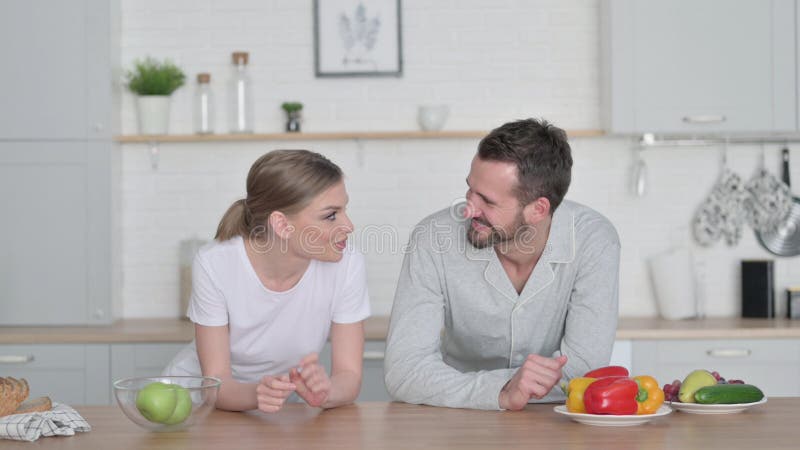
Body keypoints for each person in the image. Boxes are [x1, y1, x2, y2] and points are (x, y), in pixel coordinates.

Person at [384, 118, 620, 410]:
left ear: (538, 210)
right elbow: (405, 371)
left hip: (553, 421)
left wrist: (504, 387)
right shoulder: (432, 238)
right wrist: (502, 390)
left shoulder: (594, 240)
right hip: (457, 415)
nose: (468, 209)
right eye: (470, 190)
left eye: (487, 201)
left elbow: (584, 372)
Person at [163, 149, 370, 413]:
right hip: (190, 405)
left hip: (278, 409)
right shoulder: (215, 263)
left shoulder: (348, 264)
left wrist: (327, 392)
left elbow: (349, 376)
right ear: (281, 225)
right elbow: (215, 384)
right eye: (331, 215)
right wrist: (258, 393)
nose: (349, 225)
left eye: (344, 210)